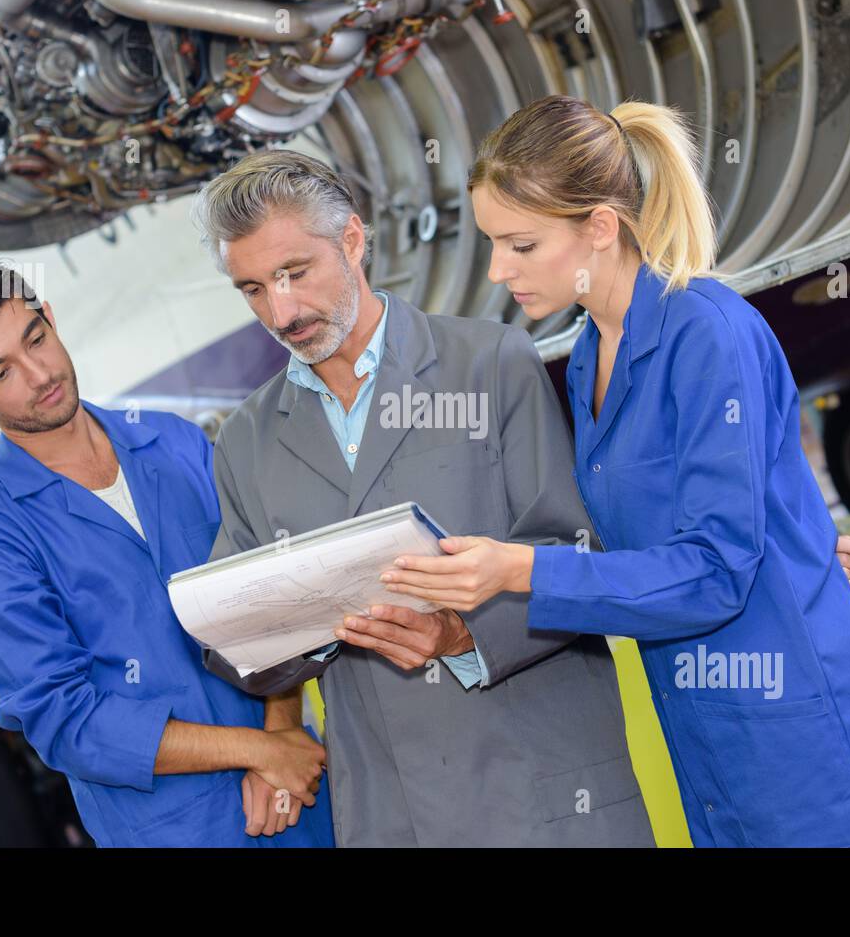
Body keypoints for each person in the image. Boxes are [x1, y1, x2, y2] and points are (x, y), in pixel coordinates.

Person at [385, 95, 850, 847]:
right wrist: (782, 530)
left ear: (600, 228)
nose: (498, 269)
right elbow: (672, 521)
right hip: (701, 728)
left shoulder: (706, 330)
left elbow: (713, 572)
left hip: (792, 730)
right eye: (492, 243)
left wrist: (525, 572)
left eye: (520, 244)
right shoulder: (585, 358)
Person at [189, 149, 656, 847]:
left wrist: (462, 633)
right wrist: (288, 631)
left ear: (352, 240)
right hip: (394, 816)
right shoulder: (245, 442)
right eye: (253, 288)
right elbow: (240, 648)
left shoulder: (491, 363)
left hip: (545, 794)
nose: (280, 310)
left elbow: (577, 554)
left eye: (294, 273)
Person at [0, 260, 332, 847]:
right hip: (179, 831)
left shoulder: (173, 442)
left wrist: (280, 734)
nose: (41, 372)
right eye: (2, 373)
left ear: (49, 316)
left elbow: (267, 593)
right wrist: (259, 750)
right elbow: (68, 722)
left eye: (36, 338)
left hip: (303, 795)